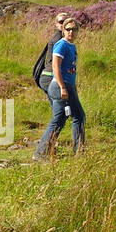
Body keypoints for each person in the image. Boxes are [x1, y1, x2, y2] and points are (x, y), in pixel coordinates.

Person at [34, 17, 85, 159]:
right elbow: (56, 66)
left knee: (59, 118)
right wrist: (63, 87)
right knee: (79, 116)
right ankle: (79, 152)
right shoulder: (61, 44)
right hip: (59, 86)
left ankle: (41, 152)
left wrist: (72, 85)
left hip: (67, 85)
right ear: (63, 31)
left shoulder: (71, 46)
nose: (71, 32)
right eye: (68, 29)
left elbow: (71, 69)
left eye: (74, 29)